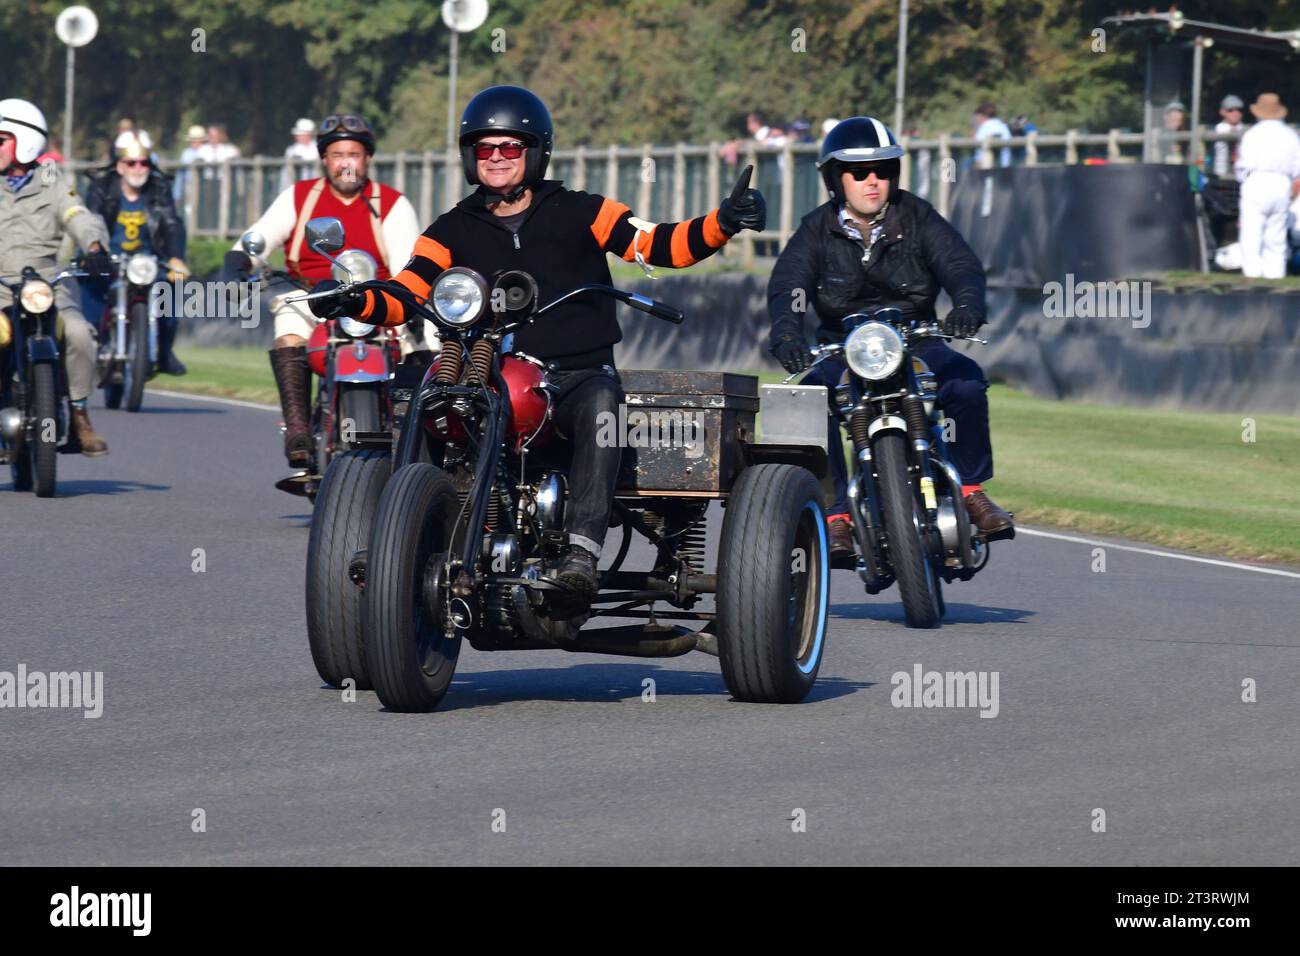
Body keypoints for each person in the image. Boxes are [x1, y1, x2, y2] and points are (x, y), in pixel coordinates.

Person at [308, 86, 766, 600]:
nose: (497, 158)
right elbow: (406, 292)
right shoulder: (449, 229)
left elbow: (658, 244)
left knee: (602, 405)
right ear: (470, 157)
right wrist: (353, 299)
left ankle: (580, 552)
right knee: (427, 391)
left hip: (574, 376)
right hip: (484, 372)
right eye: (485, 149)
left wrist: (722, 223)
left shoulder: (586, 211)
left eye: (509, 147)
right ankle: (397, 539)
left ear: (535, 152)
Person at [767, 116, 1012, 562]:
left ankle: (973, 491)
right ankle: (837, 515)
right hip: (843, 346)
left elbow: (960, 265)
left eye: (883, 170)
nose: (873, 181)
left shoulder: (917, 216)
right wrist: (786, 333)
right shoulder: (815, 229)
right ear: (835, 178)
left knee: (965, 381)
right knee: (805, 401)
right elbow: (790, 287)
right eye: (859, 173)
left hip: (914, 339)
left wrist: (967, 306)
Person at [221, 112, 425, 467]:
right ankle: (298, 430)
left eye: (355, 155)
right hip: (310, 296)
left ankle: (421, 438)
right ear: (324, 159)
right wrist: (239, 263)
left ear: (368, 159)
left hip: (375, 299)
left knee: (427, 341)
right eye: (337, 155)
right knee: (288, 329)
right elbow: (261, 235)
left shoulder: (392, 204)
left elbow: (408, 266)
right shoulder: (298, 198)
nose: (346, 164)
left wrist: (414, 310)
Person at [0, 98, 112, 454]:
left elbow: (78, 213)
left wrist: (94, 246)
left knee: (79, 334)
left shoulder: (52, 179)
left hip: (47, 284)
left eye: (1, 139)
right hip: (0, 287)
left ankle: (80, 417)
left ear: (24, 140)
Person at [83, 131, 190, 375]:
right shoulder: (101, 187)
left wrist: (176, 258)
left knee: (172, 291)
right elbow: (92, 220)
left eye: (144, 163)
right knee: (91, 286)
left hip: (148, 261)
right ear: (120, 166)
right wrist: (94, 249)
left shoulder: (159, 188)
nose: (138, 168)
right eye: (131, 163)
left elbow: (172, 224)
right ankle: (91, 344)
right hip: (107, 258)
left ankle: (164, 351)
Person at [1235, 93, 1300, 279]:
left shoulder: (1252, 135)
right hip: (1281, 182)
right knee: (1276, 235)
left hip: (1257, 180)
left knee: (1251, 233)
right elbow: (1297, 168)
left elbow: (1243, 166)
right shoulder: (1291, 136)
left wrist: (1245, 181)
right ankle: (1275, 275)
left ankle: (1252, 274)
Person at [173, 124, 207, 204]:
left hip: (205, 185)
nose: (195, 142)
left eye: (197, 140)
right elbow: (180, 174)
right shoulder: (186, 153)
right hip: (190, 185)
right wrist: (177, 193)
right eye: (193, 140)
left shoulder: (207, 152)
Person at [1213, 95, 1246, 179]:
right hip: (1220, 174)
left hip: (1241, 174)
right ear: (1222, 112)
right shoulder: (1219, 128)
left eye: (1239, 110)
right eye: (1231, 110)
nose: (1236, 113)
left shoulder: (1244, 128)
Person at [280, 118, 317, 190]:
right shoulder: (291, 150)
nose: (297, 136)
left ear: (308, 134)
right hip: (296, 187)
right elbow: (285, 173)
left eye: (300, 134)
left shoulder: (318, 148)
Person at [972, 102, 1011, 168]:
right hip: (1006, 170)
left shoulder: (983, 129)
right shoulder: (1004, 127)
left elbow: (978, 158)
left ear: (981, 116)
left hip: (986, 170)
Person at [1159, 100, 1187, 164]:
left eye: (1179, 121)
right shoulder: (1156, 136)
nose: (1176, 125)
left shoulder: (1188, 138)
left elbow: (1200, 163)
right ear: (1165, 117)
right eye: (1173, 120)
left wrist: (1185, 160)